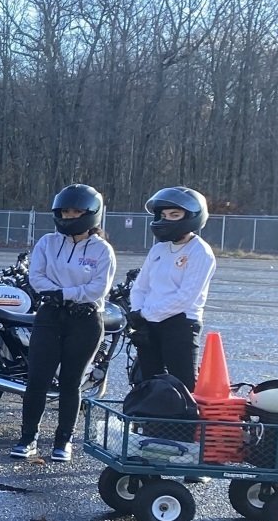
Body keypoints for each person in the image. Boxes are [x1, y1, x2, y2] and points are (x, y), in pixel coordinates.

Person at [15, 185, 117, 461]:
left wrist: (65, 292)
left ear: (91, 214)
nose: (70, 216)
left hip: (85, 318)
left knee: (71, 382)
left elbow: (98, 288)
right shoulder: (48, 242)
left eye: (77, 212)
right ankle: (28, 438)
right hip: (50, 315)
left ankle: (64, 441)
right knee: (37, 379)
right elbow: (36, 277)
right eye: (65, 211)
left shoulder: (102, 249)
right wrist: (59, 294)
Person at [127, 186, 215, 390]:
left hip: (180, 325)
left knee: (182, 386)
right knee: (149, 383)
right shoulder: (158, 249)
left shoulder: (200, 251)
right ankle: (149, 423)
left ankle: (181, 423)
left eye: (174, 215)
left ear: (192, 217)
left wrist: (147, 314)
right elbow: (140, 287)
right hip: (148, 324)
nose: (166, 220)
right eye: (164, 215)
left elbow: (185, 297)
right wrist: (136, 313)